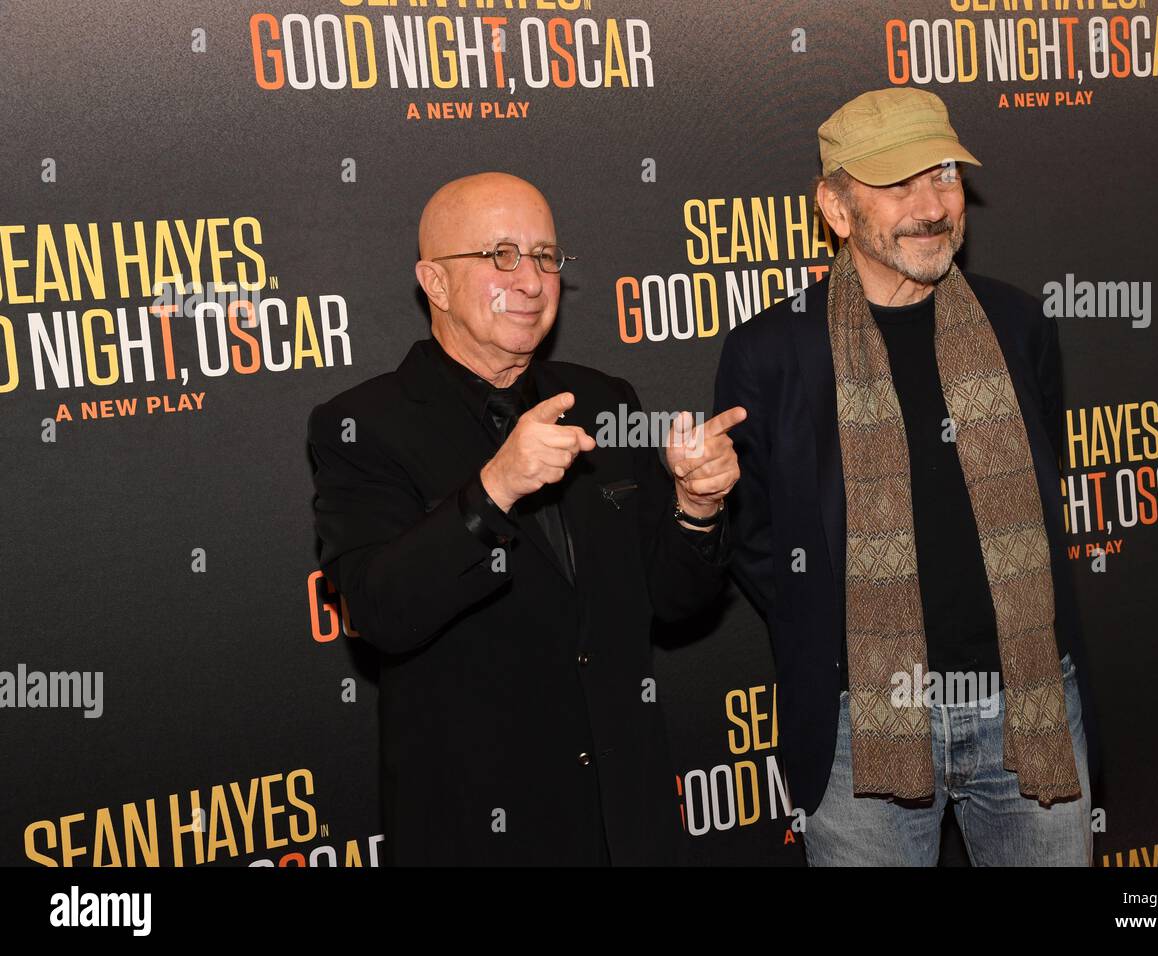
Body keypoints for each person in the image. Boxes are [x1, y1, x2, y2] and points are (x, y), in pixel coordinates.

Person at [308, 171, 745, 865]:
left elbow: (673, 603)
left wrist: (696, 508)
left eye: (545, 256)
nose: (534, 280)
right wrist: (493, 491)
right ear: (436, 282)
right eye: (501, 256)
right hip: (481, 830)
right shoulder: (364, 426)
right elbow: (380, 608)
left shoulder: (603, 399)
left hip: (627, 825)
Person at [713, 88, 1100, 865]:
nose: (933, 207)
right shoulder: (771, 351)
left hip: (1027, 699)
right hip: (865, 723)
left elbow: (1045, 487)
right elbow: (755, 539)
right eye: (900, 184)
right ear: (836, 206)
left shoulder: (1019, 323)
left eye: (947, 176)